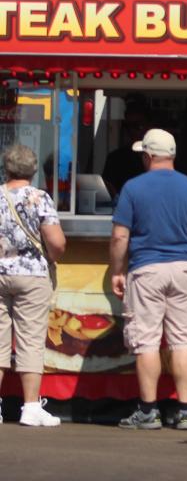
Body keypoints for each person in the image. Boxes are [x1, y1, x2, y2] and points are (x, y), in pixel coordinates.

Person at [109, 129, 187, 430]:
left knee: (147, 342)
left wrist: (118, 270)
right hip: (182, 269)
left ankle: (148, 411)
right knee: (183, 341)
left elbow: (119, 236)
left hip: (146, 270)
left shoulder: (133, 188)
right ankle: (184, 411)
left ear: (148, 156)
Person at [0, 143, 66, 427]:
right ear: (33, 170)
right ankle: (30, 406)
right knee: (30, 340)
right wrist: (50, 257)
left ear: (6, 167)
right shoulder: (40, 198)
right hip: (33, 275)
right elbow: (57, 242)